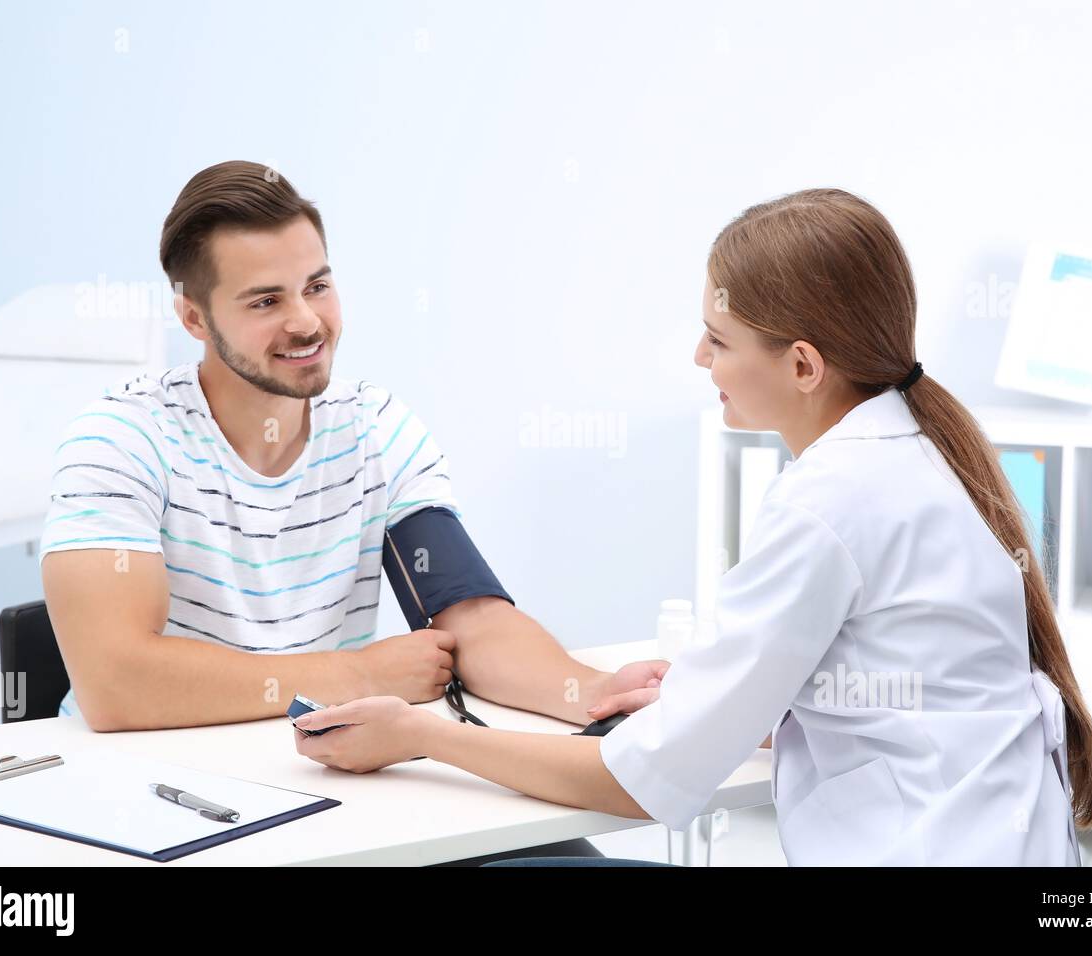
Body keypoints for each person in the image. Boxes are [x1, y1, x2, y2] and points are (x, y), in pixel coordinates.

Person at [291, 188, 1092, 866]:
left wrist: (423, 739)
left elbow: (642, 783)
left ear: (801, 365)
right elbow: (916, 676)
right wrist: (750, 699)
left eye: (717, 341)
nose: (697, 358)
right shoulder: (924, 451)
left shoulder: (829, 499)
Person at [39, 161, 667, 863]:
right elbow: (116, 684)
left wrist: (590, 692)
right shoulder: (120, 440)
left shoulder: (374, 425)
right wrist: (360, 676)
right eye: (264, 301)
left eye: (317, 286)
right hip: (164, 805)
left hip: (344, 787)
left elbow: (471, 619)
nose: (306, 321)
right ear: (194, 316)